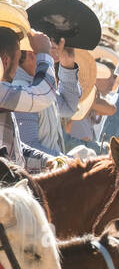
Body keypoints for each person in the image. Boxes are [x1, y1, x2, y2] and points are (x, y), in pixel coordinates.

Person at [0, 28, 78, 167]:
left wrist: (53, 161)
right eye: (17, 60)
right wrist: (43, 52)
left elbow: (16, 150)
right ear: (6, 61)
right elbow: (43, 95)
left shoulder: (12, 93)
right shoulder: (10, 93)